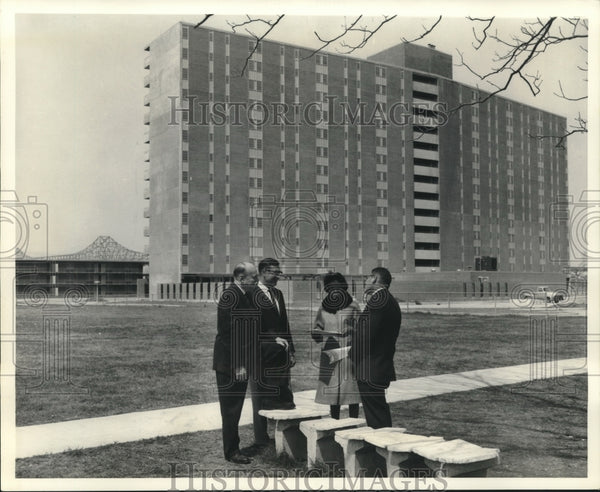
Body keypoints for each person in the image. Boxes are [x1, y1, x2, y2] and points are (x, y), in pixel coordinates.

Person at [244, 258, 296, 455]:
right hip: (260, 352)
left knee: (282, 392)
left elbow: (285, 324)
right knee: (260, 395)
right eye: (275, 272)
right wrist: (272, 338)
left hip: (280, 353)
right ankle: (260, 438)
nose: (278, 275)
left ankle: (285, 436)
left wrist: (290, 349)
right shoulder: (250, 294)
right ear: (264, 272)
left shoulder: (278, 293)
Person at [212, 261, 258, 464]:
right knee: (231, 409)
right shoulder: (231, 296)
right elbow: (228, 335)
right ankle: (232, 452)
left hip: (239, 362)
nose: (256, 281)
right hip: (231, 364)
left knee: (235, 407)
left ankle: (233, 447)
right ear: (241, 278)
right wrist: (239, 364)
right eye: (254, 278)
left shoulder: (244, 295)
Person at [350, 267, 401, 429]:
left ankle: (381, 450)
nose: (365, 281)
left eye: (367, 277)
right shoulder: (389, 300)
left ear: (374, 279)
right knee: (378, 411)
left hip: (370, 366)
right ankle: (382, 447)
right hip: (379, 365)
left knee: (376, 417)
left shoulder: (378, 300)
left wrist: (351, 355)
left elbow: (365, 335)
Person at [311, 272, 361, 419]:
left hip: (349, 351)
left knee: (351, 388)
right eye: (331, 289)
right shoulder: (323, 306)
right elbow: (318, 326)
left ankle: (353, 421)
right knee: (333, 391)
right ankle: (334, 421)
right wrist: (316, 332)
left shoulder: (353, 305)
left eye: (338, 289)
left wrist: (353, 329)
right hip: (330, 349)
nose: (335, 292)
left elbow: (364, 328)